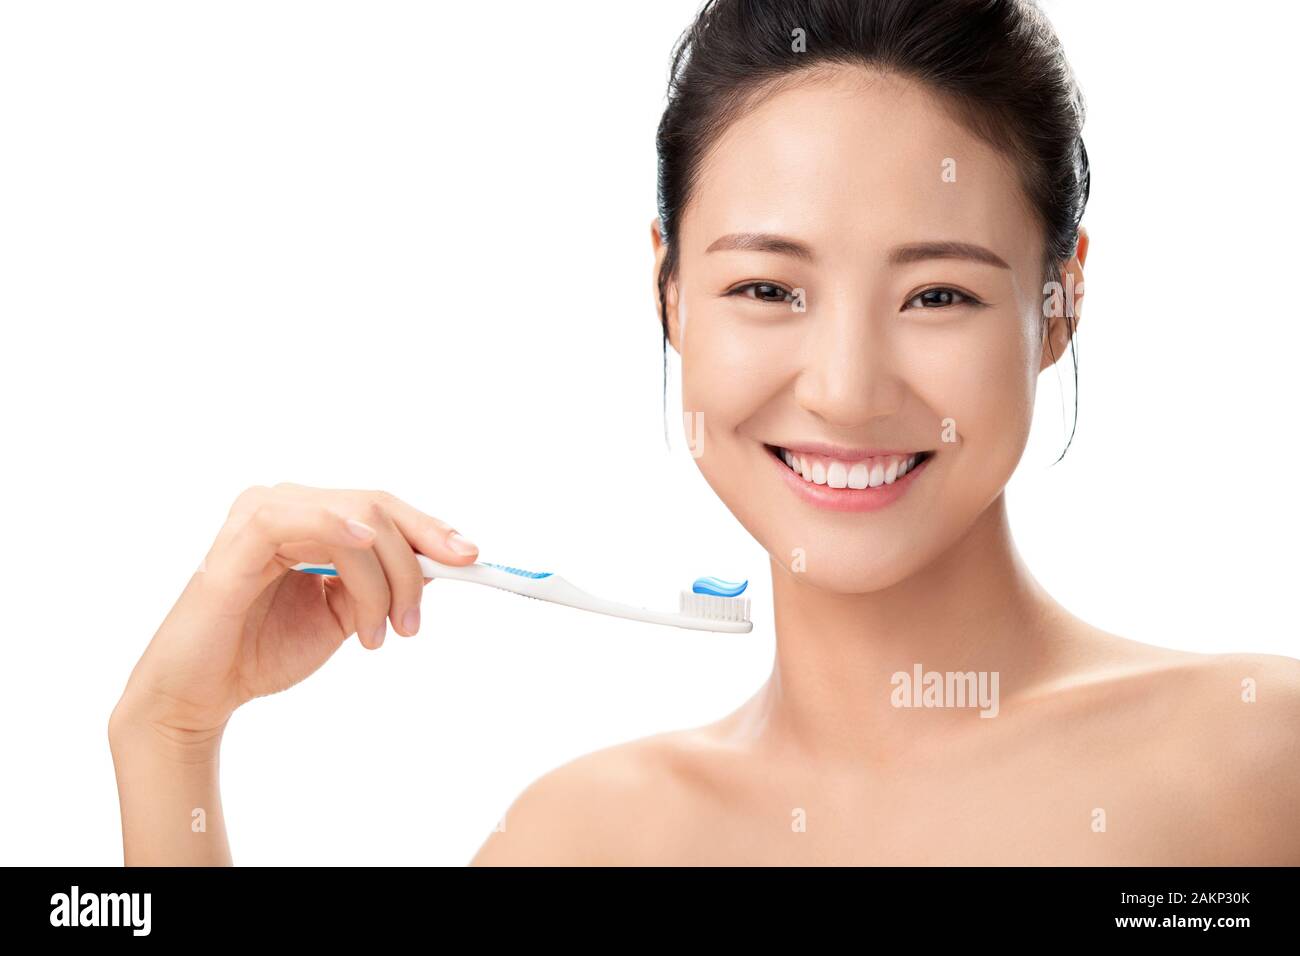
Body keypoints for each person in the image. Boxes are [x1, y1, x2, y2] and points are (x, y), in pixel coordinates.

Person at [110, 0, 1300, 865]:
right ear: (668, 291)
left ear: (1059, 301)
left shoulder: (1260, 761)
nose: (842, 387)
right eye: (767, 290)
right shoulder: (576, 841)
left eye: (938, 294)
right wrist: (168, 738)